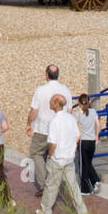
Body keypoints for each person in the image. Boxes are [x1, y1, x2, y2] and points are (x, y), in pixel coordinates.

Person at [37, 93, 89, 214]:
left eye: (50, 101)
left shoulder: (54, 121)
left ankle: (46, 210)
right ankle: (82, 211)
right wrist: (70, 147)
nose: (49, 103)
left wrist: (50, 154)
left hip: (57, 158)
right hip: (69, 158)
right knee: (73, 186)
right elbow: (77, 136)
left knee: (51, 186)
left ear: (55, 104)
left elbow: (52, 143)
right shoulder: (70, 118)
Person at [26, 65, 71, 194]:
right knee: (55, 156)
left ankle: (45, 183)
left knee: (36, 153)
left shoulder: (40, 90)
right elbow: (69, 110)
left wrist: (29, 123)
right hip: (60, 130)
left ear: (46, 75)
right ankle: (59, 183)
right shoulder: (65, 90)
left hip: (42, 129)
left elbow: (34, 110)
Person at [75, 93, 101, 194]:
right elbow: (98, 125)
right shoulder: (93, 111)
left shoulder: (78, 114)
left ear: (79, 103)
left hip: (83, 142)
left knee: (84, 166)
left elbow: (73, 126)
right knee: (88, 163)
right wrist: (96, 136)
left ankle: (86, 188)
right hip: (92, 141)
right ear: (89, 102)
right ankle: (95, 181)